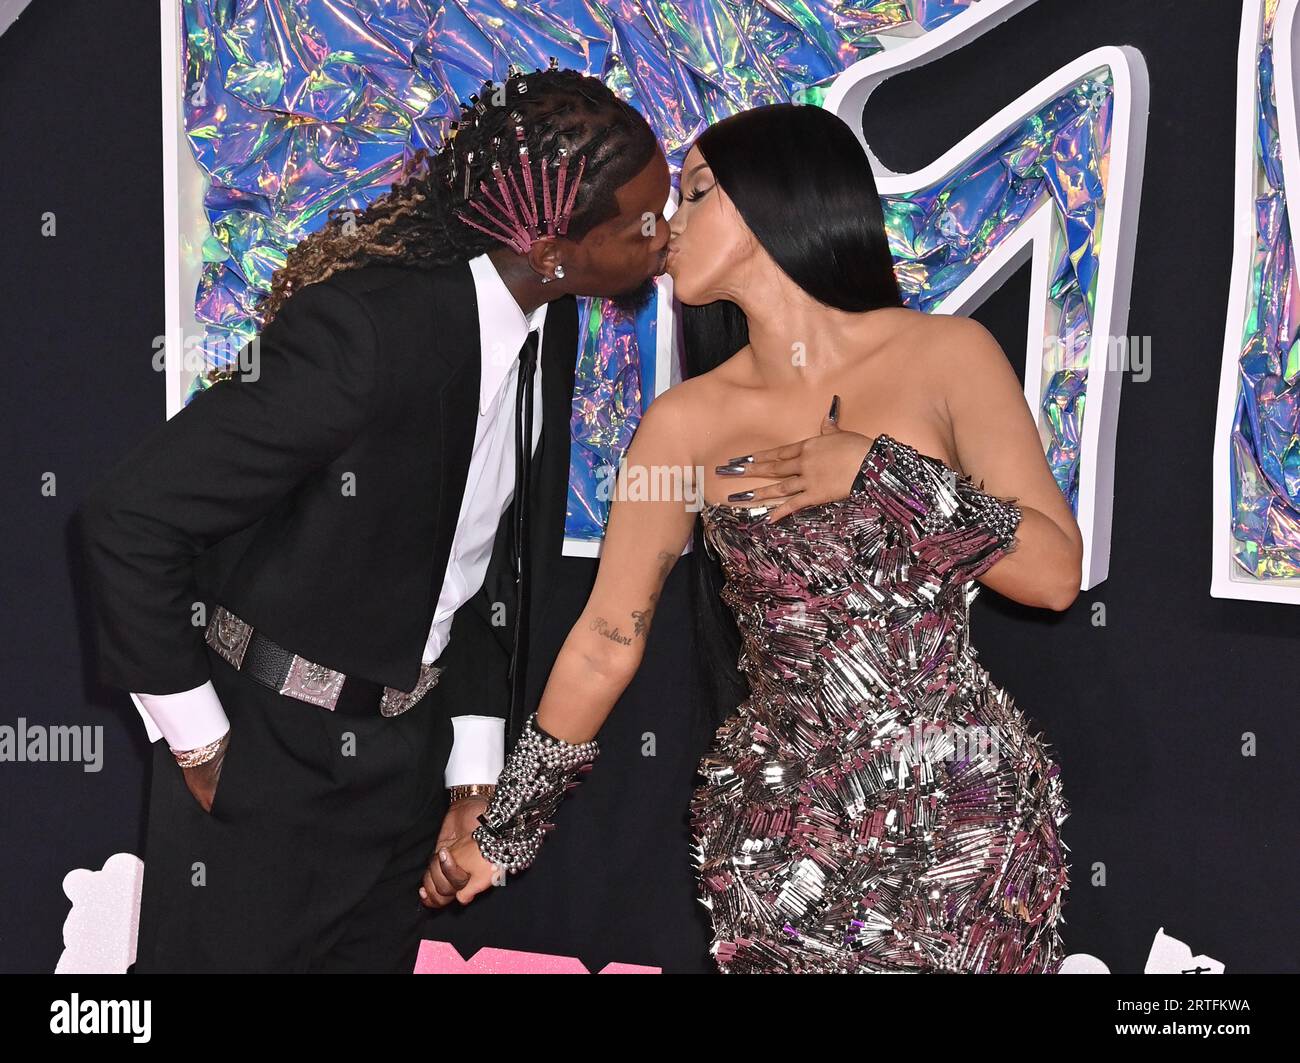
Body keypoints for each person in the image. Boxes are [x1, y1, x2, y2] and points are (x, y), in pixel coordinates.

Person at [431, 102, 1082, 974]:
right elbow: (605, 640)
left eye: (696, 194)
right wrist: (506, 827)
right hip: (781, 836)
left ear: (780, 195)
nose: (667, 226)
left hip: (961, 819)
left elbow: (1051, 574)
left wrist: (883, 474)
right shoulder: (685, 424)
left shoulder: (948, 358)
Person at [79, 64, 671, 973]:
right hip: (268, 760)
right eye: (642, 220)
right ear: (555, 243)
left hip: (402, 763)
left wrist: (471, 768)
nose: (662, 239)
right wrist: (199, 741)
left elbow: (473, 562)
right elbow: (130, 516)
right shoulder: (368, 333)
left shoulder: (546, 326)